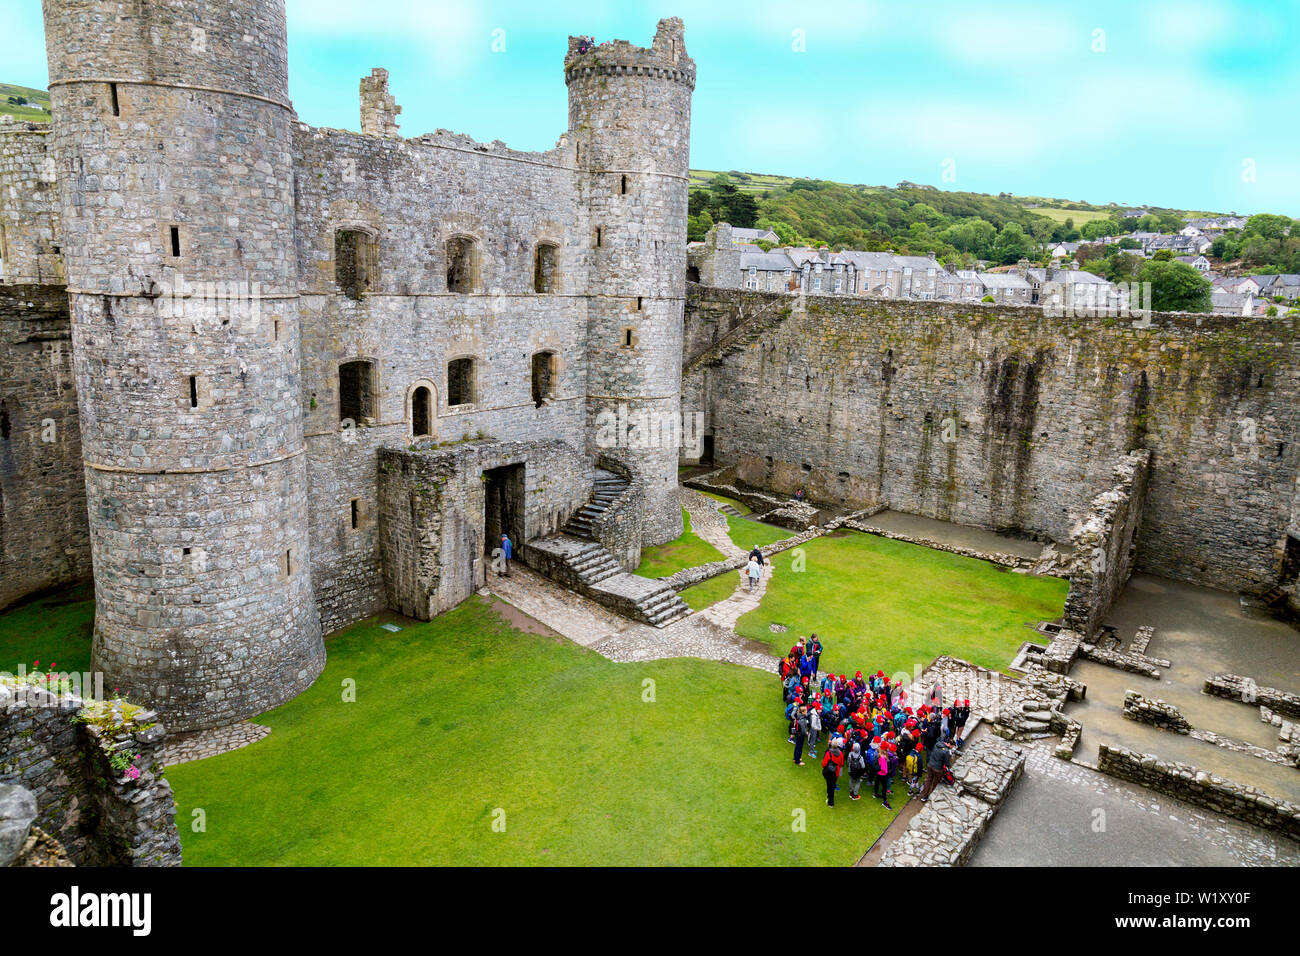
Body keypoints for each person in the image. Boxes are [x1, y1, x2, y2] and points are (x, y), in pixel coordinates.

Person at [919, 737, 953, 802]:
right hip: (937, 768)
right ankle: (932, 796)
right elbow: (947, 763)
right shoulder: (946, 751)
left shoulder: (937, 744)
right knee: (936, 782)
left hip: (930, 764)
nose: (952, 747)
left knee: (928, 780)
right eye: (952, 746)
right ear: (949, 744)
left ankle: (924, 796)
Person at [822, 738, 844, 807]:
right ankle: (829, 799)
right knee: (832, 786)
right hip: (836, 773)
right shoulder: (840, 754)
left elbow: (824, 764)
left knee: (830, 787)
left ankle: (830, 802)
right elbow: (842, 763)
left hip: (828, 772)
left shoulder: (829, 753)